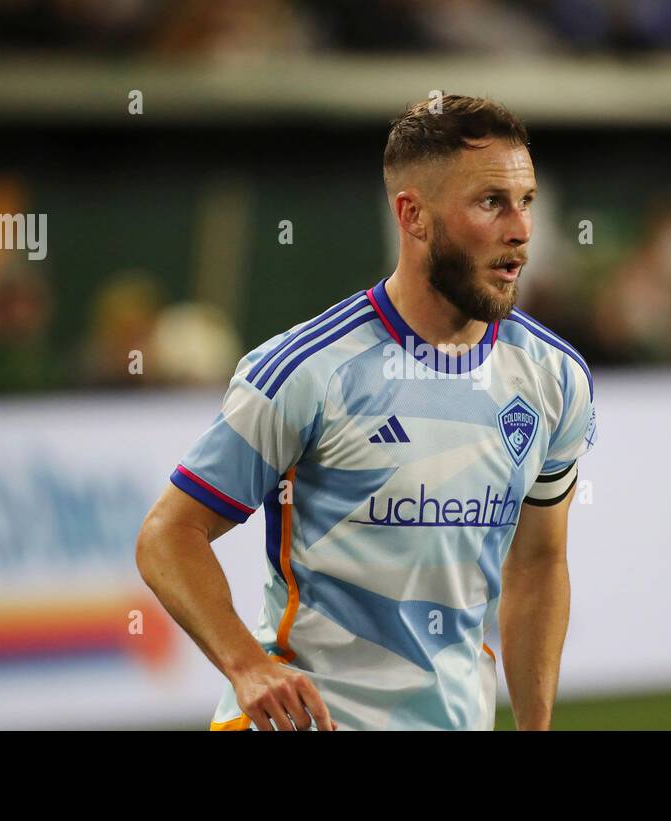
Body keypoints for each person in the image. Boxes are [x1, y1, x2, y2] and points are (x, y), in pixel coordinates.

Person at [136, 94, 598, 730]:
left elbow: (538, 561)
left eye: (526, 201)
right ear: (412, 216)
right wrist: (247, 665)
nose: (520, 229)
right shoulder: (309, 371)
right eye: (490, 202)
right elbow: (168, 535)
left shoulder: (553, 377)